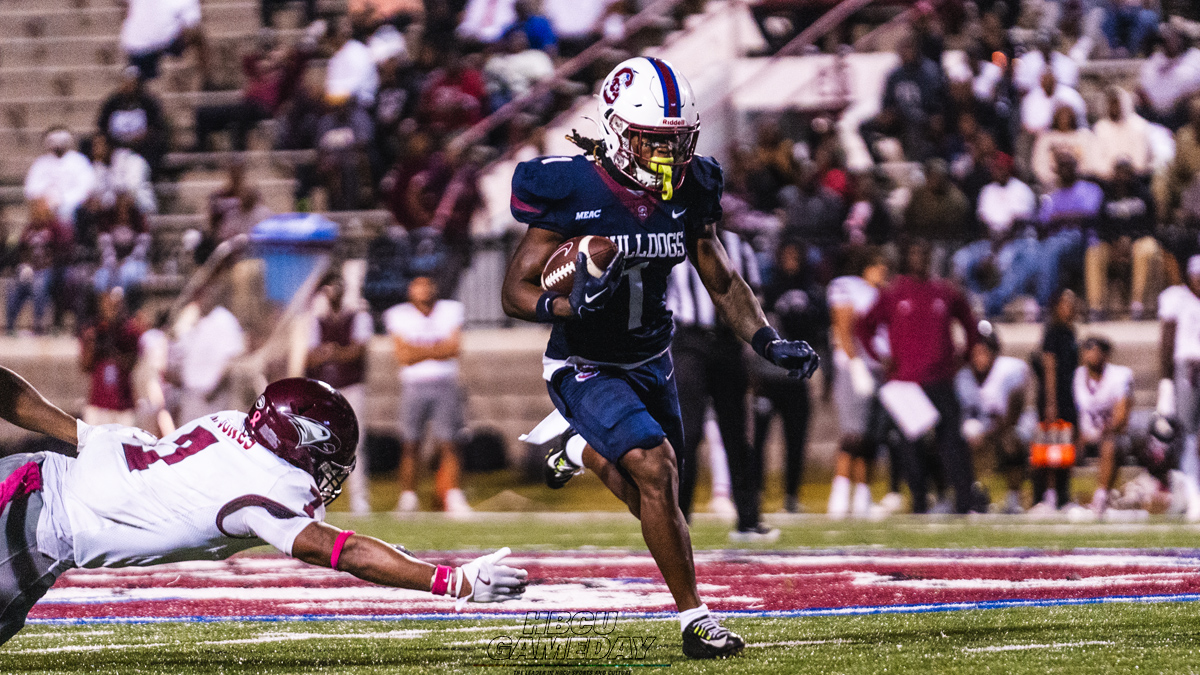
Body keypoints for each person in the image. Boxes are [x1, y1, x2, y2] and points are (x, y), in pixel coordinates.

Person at [501, 57, 818, 659]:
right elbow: (515, 293)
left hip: (654, 357)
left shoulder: (694, 184)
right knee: (656, 466)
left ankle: (577, 447)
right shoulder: (571, 185)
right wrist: (572, 306)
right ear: (618, 130)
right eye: (653, 140)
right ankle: (696, 620)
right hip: (583, 361)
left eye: (677, 142)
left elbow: (720, 277)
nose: (668, 155)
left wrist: (766, 340)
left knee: (658, 492)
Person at [0, 369, 527, 645]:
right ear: (303, 443)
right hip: (32, 532)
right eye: (331, 457)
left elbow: (72, 429)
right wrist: (451, 582)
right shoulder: (266, 485)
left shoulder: (227, 424)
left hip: (35, 474)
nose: (332, 471)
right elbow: (340, 551)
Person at [666, 226, 775, 541]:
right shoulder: (673, 244)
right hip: (689, 342)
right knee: (687, 432)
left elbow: (752, 297)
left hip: (728, 343)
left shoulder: (737, 245)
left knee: (736, 435)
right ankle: (677, 521)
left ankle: (749, 521)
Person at [856, 240, 982, 514]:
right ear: (906, 258)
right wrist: (880, 357)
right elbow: (863, 327)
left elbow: (971, 324)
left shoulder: (946, 292)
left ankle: (963, 500)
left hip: (941, 378)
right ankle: (919, 501)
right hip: (906, 383)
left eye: (924, 253)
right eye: (914, 253)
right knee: (909, 444)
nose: (920, 259)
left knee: (951, 441)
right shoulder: (894, 293)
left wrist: (965, 354)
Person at [383, 276, 470, 515]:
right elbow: (403, 355)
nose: (423, 290)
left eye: (427, 285)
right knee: (410, 443)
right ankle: (409, 497)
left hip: (445, 383)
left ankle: (453, 496)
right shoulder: (398, 314)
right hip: (413, 385)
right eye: (418, 286)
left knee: (450, 442)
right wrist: (436, 349)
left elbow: (453, 348)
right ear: (410, 290)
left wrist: (418, 349)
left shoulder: (450, 310)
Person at [754, 240, 827, 517]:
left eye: (796, 254)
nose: (792, 260)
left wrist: (823, 375)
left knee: (796, 440)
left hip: (797, 379)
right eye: (787, 254)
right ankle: (755, 494)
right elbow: (756, 334)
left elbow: (821, 336)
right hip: (769, 378)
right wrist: (755, 373)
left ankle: (791, 496)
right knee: (758, 441)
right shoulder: (770, 292)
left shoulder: (814, 294)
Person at [826, 248, 891, 519]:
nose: (883, 272)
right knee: (853, 435)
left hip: (877, 368)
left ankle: (863, 497)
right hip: (855, 368)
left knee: (871, 437)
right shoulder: (847, 287)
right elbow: (843, 327)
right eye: (879, 266)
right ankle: (839, 496)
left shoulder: (881, 292)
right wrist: (855, 365)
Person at [305, 272, 374, 514]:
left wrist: (331, 353)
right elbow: (309, 356)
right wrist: (331, 353)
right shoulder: (316, 319)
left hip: (351, 385)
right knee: (319, 443)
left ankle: (359, 498)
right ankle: (318, 497)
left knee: (356, 442)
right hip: (325, 388)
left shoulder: (357, 316)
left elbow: (357, 351)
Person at [955, 324, 1033, 514]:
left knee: (1010, 441)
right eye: (976, 350)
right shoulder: (962, 376)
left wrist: (991, 431)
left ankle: (1014, 498)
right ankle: (966, 494)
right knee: (949, 441)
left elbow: (1014, 414)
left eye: (984, 350)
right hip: (980, 430)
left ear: (994, 351)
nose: (979, 355)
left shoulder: (1011, 370)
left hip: (1009, 428)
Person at [1090, 159, 1159, 320]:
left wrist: (1131, 240)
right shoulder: (1107, 196)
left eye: (1125, 172)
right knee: (1094, 251)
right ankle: (1096, 307)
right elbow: (1100, 227)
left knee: (1146, 248)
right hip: (1112, 244)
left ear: (1132, 175)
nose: (1122, 176)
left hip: (1138, 241)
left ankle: (1137, 304)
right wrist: (1113, 242)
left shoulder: (1144, 194)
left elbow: (1152, 227)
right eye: (1118, 172)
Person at [170, 282, 247, 424]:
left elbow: (233, 358)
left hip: (211, 398)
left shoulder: (223, 319)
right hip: (190, 396)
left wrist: (214, 389)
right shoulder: (194, 320)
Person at [1074, 335, 1133, 516]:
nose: (1090, 354)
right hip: (1088, 436)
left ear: (1106, 355)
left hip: (1114, 437)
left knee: (1108, 442)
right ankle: (1054, 498)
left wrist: (1097, 433)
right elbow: (1081, 414)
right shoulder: (1078, 376)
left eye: (1095, 350)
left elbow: (1120, 419)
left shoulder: (1119, 375)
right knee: (1058, 441)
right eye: (1087, 349)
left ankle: (1100, 498)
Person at [1033, 288, 1079, 511]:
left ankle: (1062, 495)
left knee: (1064, 449)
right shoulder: (1053, 333)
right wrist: (1051, 402)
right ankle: (1045, 495)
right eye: (1066, 303)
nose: (1071, 307)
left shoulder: (1071, 333)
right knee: (1049, 448)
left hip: (1068, 396)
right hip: (1055, 397)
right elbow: (1050, 367)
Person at [1157, 255, 1200, 482]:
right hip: (1187, 369)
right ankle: (1191, 488)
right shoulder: (1177, 298)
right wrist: (1165, 381)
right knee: (1187, 431)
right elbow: (1166, 341)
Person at [4, 199, 72, 335]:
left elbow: (62, 251)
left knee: (39, 286)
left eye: (41, 210)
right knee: (12, 288)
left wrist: (46, 267)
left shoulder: (54, 228)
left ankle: (38, 327)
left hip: (48, 270)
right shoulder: (29, 229)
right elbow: (21, 251)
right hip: (30, 269)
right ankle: (10, 327)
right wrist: (24, 266)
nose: (38, 213)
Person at [79, 288, 144, 427]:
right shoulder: (94, 329)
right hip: (98, 405)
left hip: (123, 405)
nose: (112, 309)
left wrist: (114, 345)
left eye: (116, 305)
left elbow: (132, 364)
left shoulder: (129, 331)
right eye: (109, 305)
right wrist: (91, 344)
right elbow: (85, 366)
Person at [97, 68, 170, 177]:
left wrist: (140, 137)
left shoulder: (148, 102)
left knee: (158, 144)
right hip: (115, 146)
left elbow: (157, 126)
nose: (128, 86)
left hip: (142, 147)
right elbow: (102, 126)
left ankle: (150, 173)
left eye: (132, 83)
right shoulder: (112, 102)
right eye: (125, 82)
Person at [119, 0, 211, 86]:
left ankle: (134, 75)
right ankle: (208, 79)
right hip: (164, 42)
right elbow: (192, 23)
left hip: (134, 45)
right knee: (196, 34)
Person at [24, 128, 95, 227]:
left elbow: (86, 187)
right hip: (46, 208)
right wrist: (47, 201)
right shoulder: (41, 163)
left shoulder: (79, 161)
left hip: (74, 207)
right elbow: (32, 189)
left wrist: (63, 200)